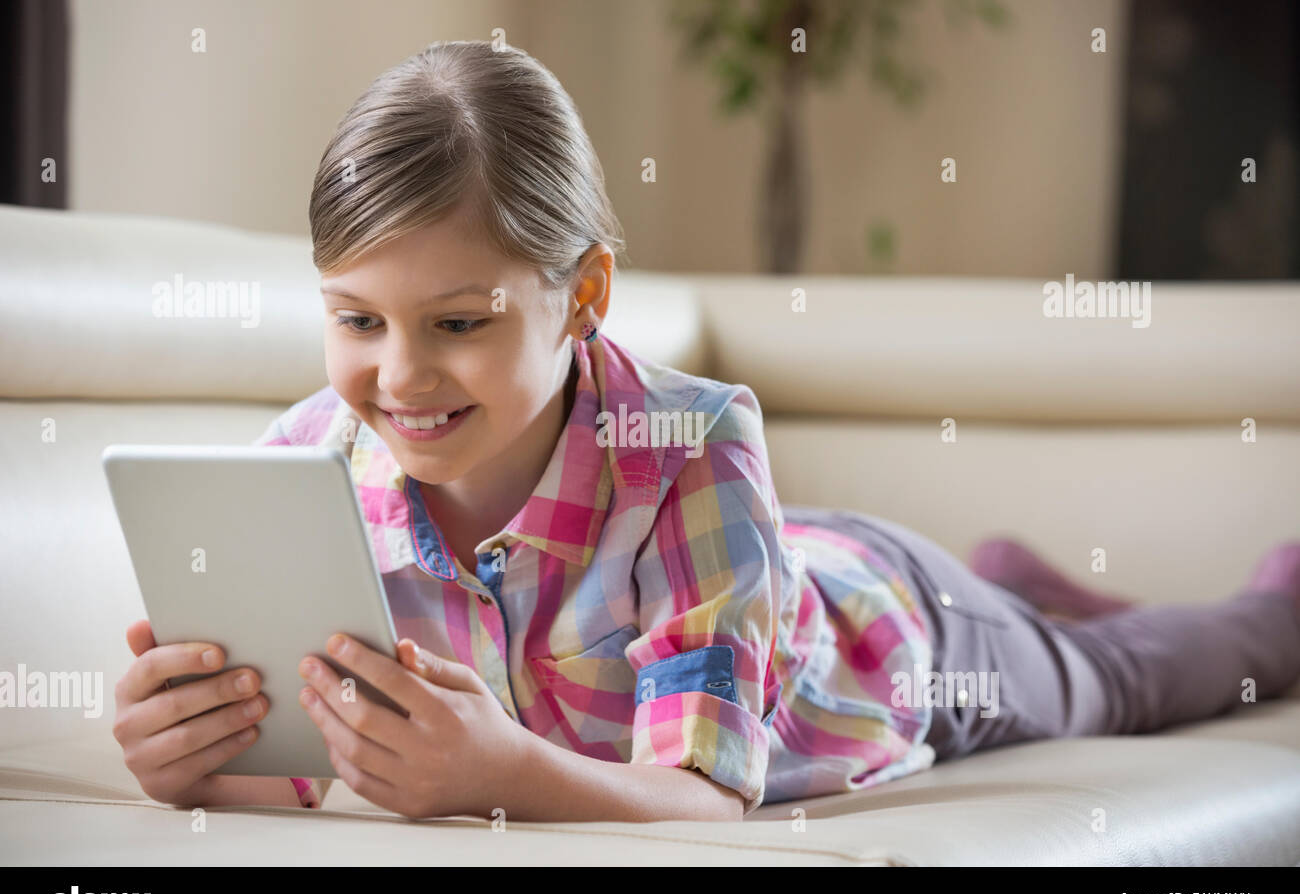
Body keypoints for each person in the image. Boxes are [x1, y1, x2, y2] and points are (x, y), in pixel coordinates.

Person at [112, 40, 1300, 823]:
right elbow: (290, 776)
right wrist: (191, 754)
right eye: (356, 319)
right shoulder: (297, 472)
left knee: (1124, 675)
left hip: (884, 632)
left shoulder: (691, 441)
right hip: (753, 573)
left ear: (582, 298)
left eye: (458, 321)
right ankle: (1017, 573)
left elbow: (703, 798)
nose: (400, 373)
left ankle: (1261, 602)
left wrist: (500, 771)